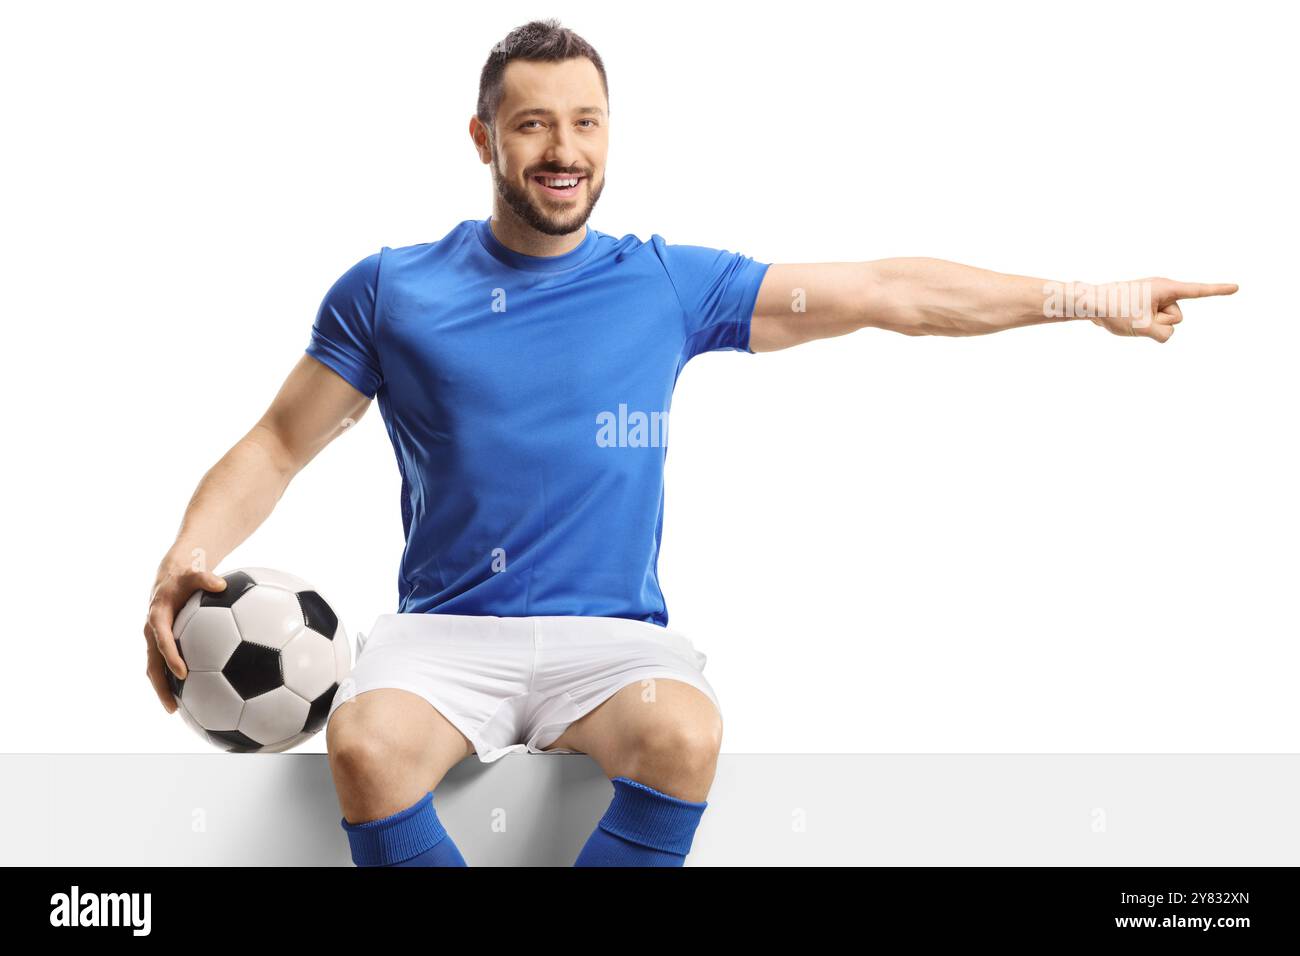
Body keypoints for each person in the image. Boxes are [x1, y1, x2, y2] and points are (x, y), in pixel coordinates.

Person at [142, 18, 1238, 867]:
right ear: (484, 139)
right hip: (444, 633)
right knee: (364, 747)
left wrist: (1089, 294)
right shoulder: (392, 290)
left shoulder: (665, 283)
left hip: (610, 637)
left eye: (585, 122)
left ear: (608, 133)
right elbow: (279, 443)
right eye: (531, 124)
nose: (562, 150)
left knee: (686, 736)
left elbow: (890, 291)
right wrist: (188, 549)